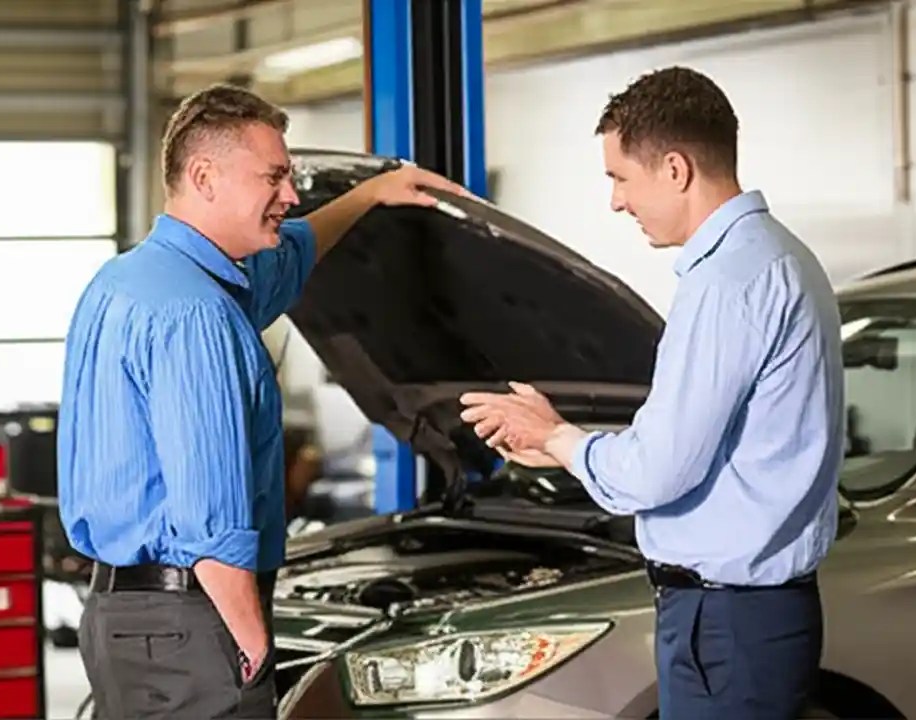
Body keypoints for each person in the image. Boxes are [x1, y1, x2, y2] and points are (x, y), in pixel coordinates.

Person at [57, 83, 464, 719]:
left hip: (121, 617)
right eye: (274, 177)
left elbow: (293, 252)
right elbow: (210, 518)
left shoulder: (130, 280)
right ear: (204, 176)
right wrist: (252, 645)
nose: (292, 194)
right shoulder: (198, 314)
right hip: (194, 622)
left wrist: (373, 194)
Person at [459, 66, 844, 719]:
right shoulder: (776, 257)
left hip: (726, 623)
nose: (615, 200)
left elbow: (663, 468)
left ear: (674, 169)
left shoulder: (729, 281)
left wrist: (557, 437)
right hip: (741, 618)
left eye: (619, 178)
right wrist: (566, 450)